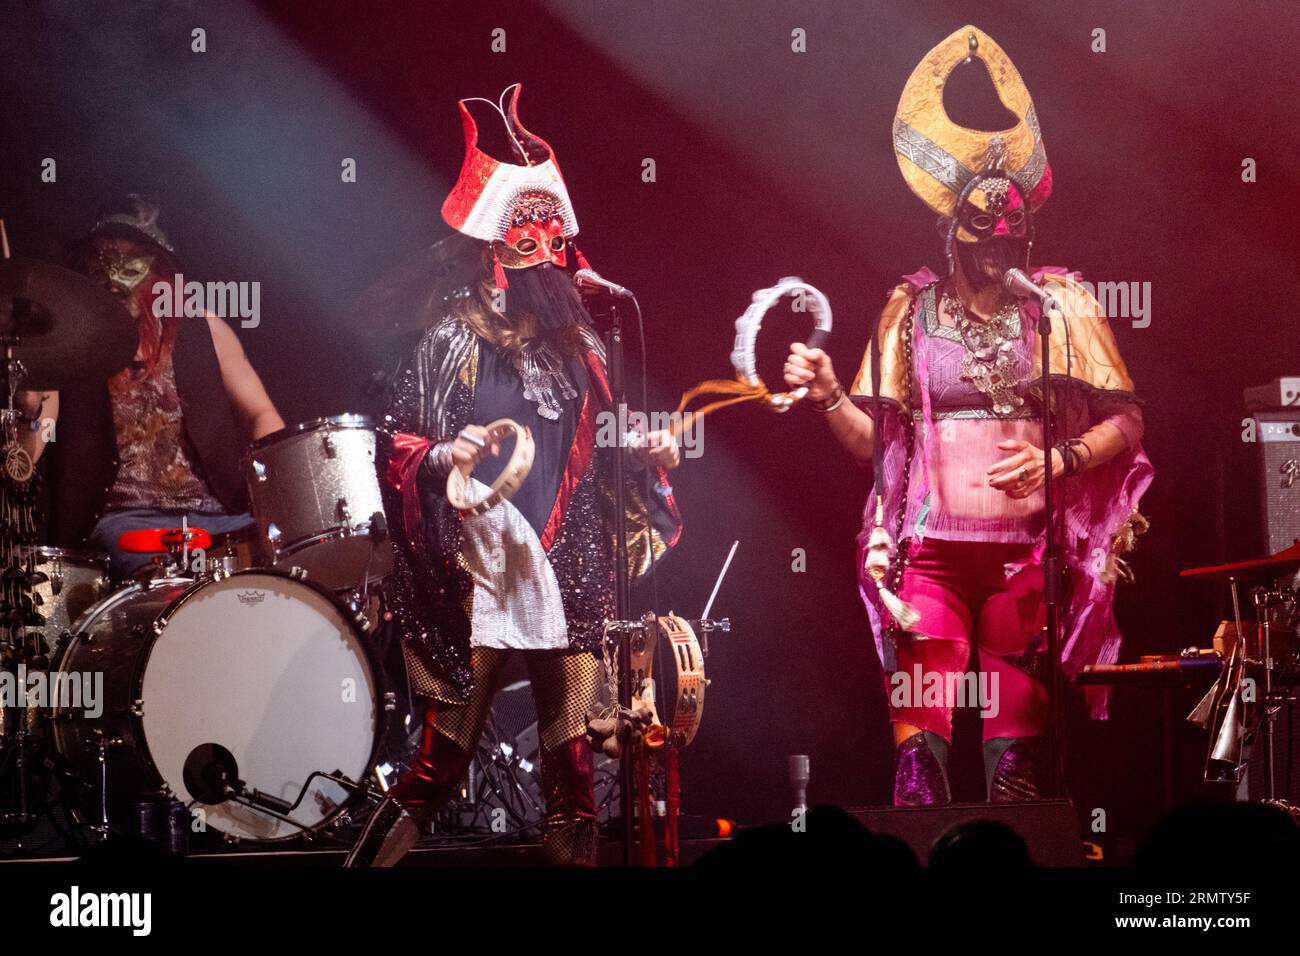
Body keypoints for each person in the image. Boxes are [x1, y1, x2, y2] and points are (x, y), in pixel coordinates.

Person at [784, 27, 1153, 804]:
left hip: (1028, 560)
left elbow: (1126, 425)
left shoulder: (1058, 304)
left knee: (1016, 772)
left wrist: (1059, 460)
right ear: (950, 230)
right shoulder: (907, 313)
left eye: (1010, 229)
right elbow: (871, 448)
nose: (998, 244)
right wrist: (827, 396)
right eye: (980, 230)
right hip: (929, 559)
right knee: (919, 767)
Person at [345, 85, 682, 866]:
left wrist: (646, 448)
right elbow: (394, 442)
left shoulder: (582, 340)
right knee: (437, 765)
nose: (546, 253)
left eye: (551, 234)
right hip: (478, 573)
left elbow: (595, 443)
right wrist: (439, 456)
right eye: (526, 233)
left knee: (575, 772)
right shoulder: (450, 338)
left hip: (568, 567)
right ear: (495, 246)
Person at [35, 194, 283, 578]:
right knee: (167, 584)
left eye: (129, 260)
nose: (116, 277)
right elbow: (42, 422)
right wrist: (28, 422)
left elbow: (261, 413)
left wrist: (275, 492)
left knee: (284, 569)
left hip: (217, 518)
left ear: (159, 271)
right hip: (127, 524)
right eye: (104, 259)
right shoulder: (71, 342)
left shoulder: (204, 329)